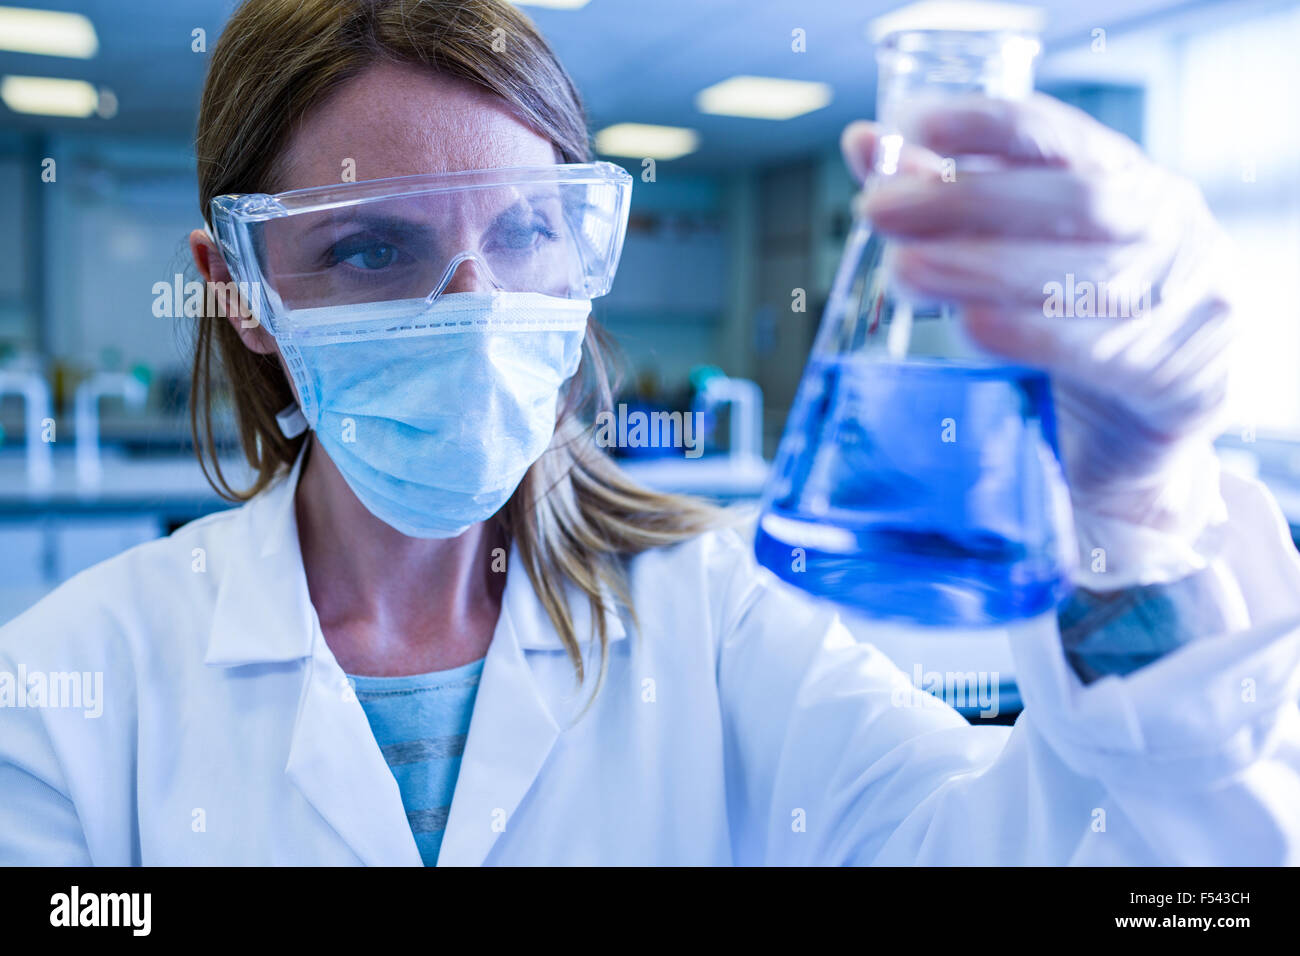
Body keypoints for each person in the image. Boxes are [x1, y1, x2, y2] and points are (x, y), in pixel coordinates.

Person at [2, 0, 1298, 866]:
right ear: (241, 290)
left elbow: (1088, 862)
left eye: (523, 232)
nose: (480, 310)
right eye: (372, 246)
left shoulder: (718, 621)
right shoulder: (69, 695)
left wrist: (1141, 512)